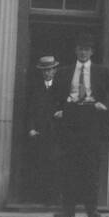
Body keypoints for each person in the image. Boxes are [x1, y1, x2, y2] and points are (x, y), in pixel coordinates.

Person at [51, 34, 109, 217]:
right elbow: (51, 96)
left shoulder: (102, 72)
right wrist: (58, 110)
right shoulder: (64, 72)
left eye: (86, 49)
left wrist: (106, 107)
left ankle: (91, 209)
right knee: (69, 166)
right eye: (80, 49)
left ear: (92, 52)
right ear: (75, 51)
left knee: (90, 166)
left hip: (92, 120)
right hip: (70, 119)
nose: (83, 53)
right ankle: (68, 209)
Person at [26, 55, 63, 204]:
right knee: (40, 164)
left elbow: (67, 105)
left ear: (55, 70)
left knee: (56, 164)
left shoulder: (61, 87)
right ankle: (41, 198)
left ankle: (56, 198)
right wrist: (31, 128)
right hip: (40, 132)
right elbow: (30, 110)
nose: (47, 73)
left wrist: (63, 112)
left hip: (56, 132)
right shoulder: (35, 88)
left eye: (50, 70)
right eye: (44, 71)